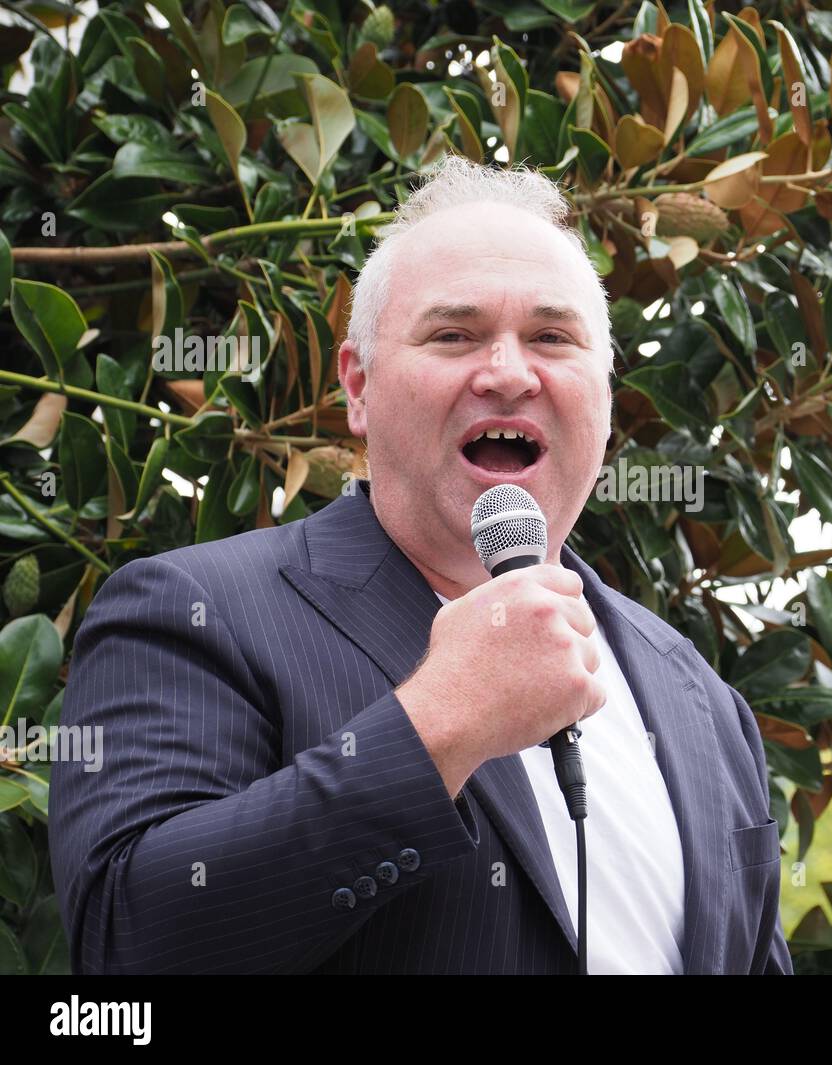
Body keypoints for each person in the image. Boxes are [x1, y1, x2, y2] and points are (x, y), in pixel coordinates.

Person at [48, 154, 793, 975]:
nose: (509, 373)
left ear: (607, 393)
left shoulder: (700, 696)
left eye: (552, 336)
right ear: (358, 387)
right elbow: (129, 944)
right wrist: (438, 724)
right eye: (453, 334)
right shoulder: (194, 611)